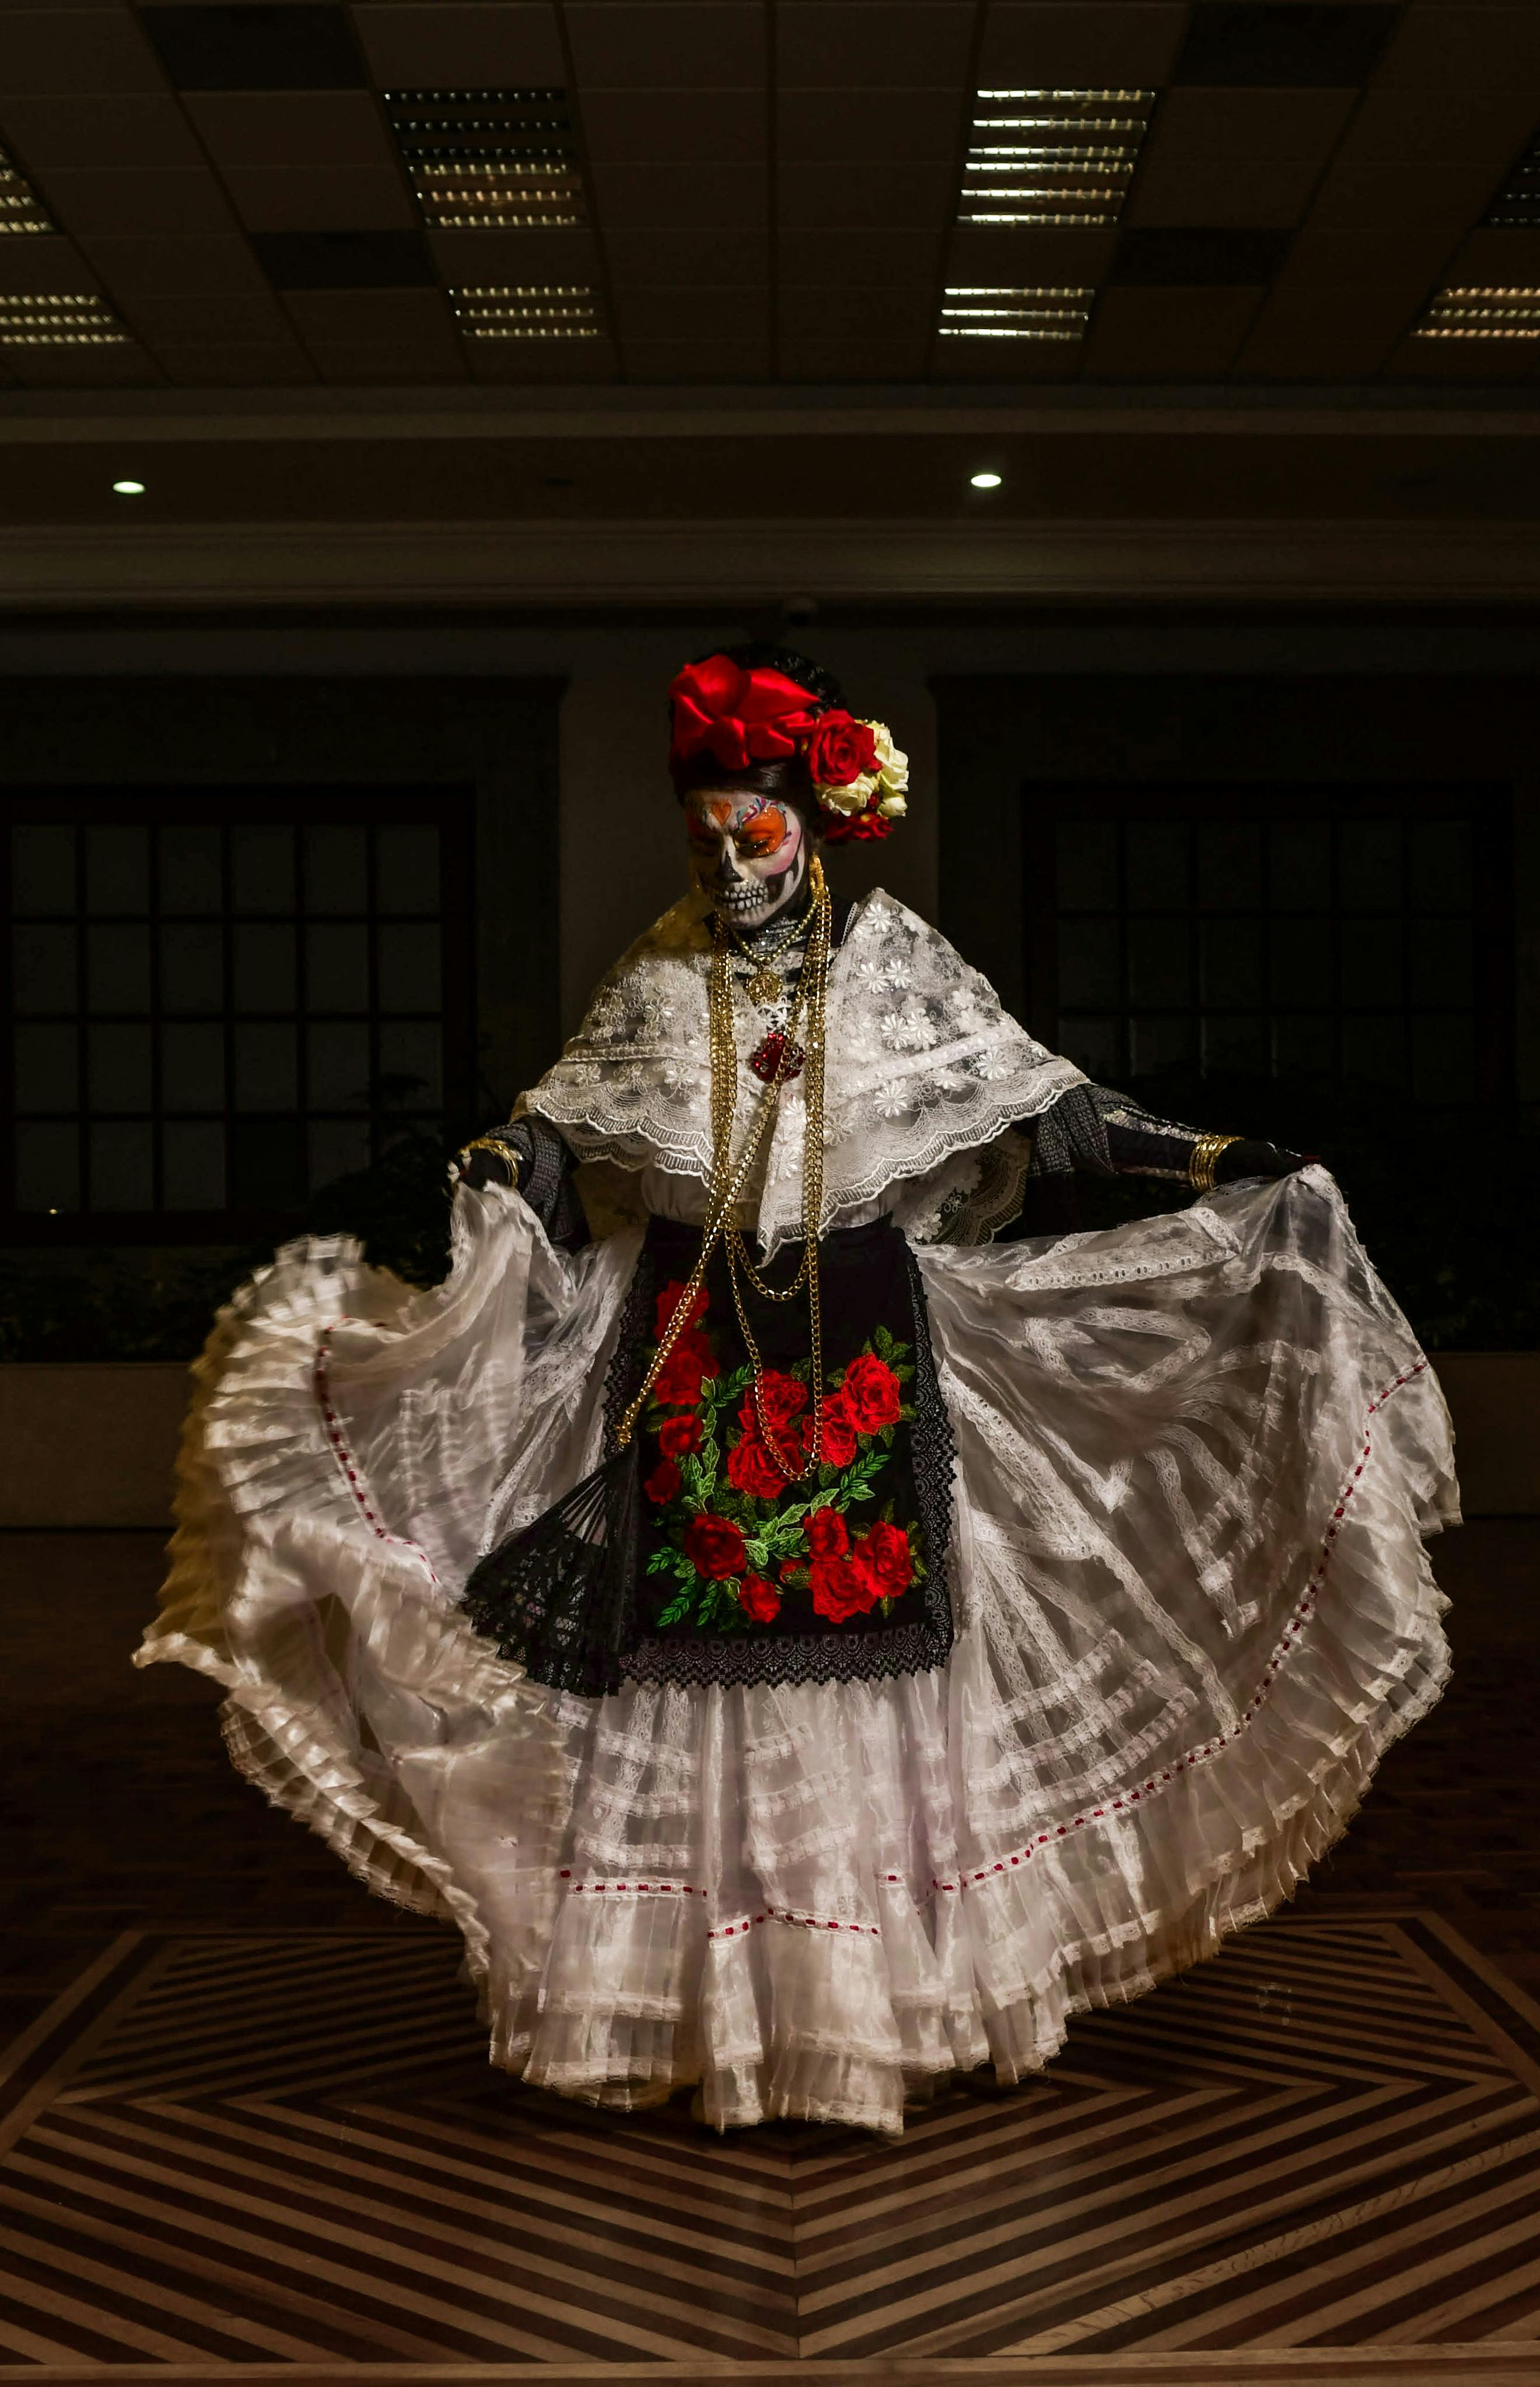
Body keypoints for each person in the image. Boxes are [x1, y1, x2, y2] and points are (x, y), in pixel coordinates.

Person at [139, 646, 1457, 2137]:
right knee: (689, 1673)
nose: (728, 856)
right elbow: (565, 1127)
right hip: (691, 1361)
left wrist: (1219, 1164)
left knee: (886, 1669)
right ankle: (708, 2010)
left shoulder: (902, 971)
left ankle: (890, 2003)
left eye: (753, 830)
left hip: (869, 1357)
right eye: (705, 830)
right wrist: (515, 1165)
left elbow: (1055, 1114)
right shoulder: (659, 976)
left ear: (818, 819)